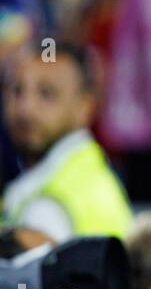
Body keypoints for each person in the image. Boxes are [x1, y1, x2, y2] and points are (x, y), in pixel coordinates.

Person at [1, 43, 133, 243]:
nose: (25, 108)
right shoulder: (86, 173)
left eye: (47, 93)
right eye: (17, 91)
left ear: (85, 107)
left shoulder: (49, 205)